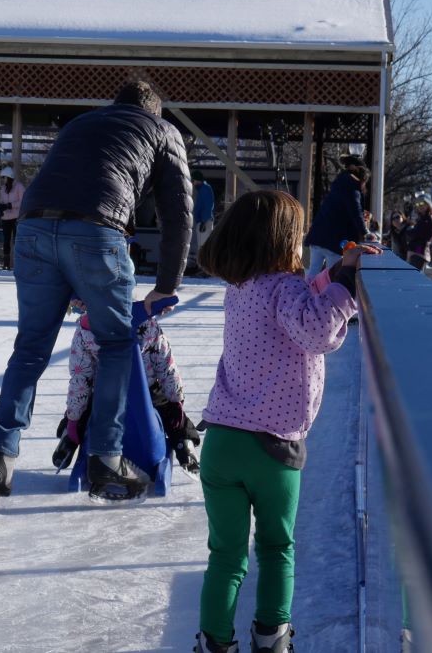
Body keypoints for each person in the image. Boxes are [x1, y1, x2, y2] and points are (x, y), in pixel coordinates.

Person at [0, 80, 192, 506]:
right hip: (97, 229)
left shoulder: (82, 123)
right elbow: (179, 214)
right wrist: (166, 287)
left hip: (34, 227)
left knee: (31, 347)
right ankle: (106, 458)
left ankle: (0, 451)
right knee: (115, 343)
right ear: (155, 111)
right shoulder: (163, 131)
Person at [192, 190, 379, 653]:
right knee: (276, 549)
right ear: (282, 242)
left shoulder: (240, 290)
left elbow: (295, 304)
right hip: (271, 449)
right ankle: (271, 639)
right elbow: (314, 330)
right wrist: (345, 288)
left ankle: (213, 643)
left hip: (220, 444)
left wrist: (332, 275)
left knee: (226, 555)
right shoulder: (286, 289)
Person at [52, 299, 200, 476]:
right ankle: (184, 444)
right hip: (147, 391)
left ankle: (68, 439)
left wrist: (74, 419)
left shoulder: (85, 331)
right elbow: (166, 367)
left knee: (82, 413)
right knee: (174, 415)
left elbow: (81, 378)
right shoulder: (148, 326)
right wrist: (176, 401)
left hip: (106, 392)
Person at [302, 156, 369, 280]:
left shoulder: (338, 184)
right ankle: (326, 298)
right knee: (332, 275)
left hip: (318, 236)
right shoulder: (352, 188)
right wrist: (365, 232)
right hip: (335, 240)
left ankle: (307, 295)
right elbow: (356, 212)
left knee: (313, 271)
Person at [188, 170, 216, 272]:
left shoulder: (205, 189)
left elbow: (208, 206)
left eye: (194, 180)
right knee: (201, 244)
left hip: (204, 221)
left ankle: (204, 268)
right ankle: (202, 267)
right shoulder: (202, 189)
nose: (193, 182)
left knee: (203, 245)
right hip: (202, 220)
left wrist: (204, 221)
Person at [0, 166, 25, 269]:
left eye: (4, 177)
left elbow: (23, 201)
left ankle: (19, 263)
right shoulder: (3, 188)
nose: (3, 180)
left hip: (16, 217)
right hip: (6, 218)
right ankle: (6, 263)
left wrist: (10, 205)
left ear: (9, 177)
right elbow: (2, 201)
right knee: (6, 241)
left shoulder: (19, 187)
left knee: (17, 241)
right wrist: (1, 207)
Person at [404, 195, 432, 271]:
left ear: (428, 204)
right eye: (417, 204)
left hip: (419, 252)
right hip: (417, 251)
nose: (419, 206)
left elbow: (417, 234)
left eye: (422, 203)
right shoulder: (422, 218)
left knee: (413, 276)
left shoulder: (429, 219)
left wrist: (408, 229)